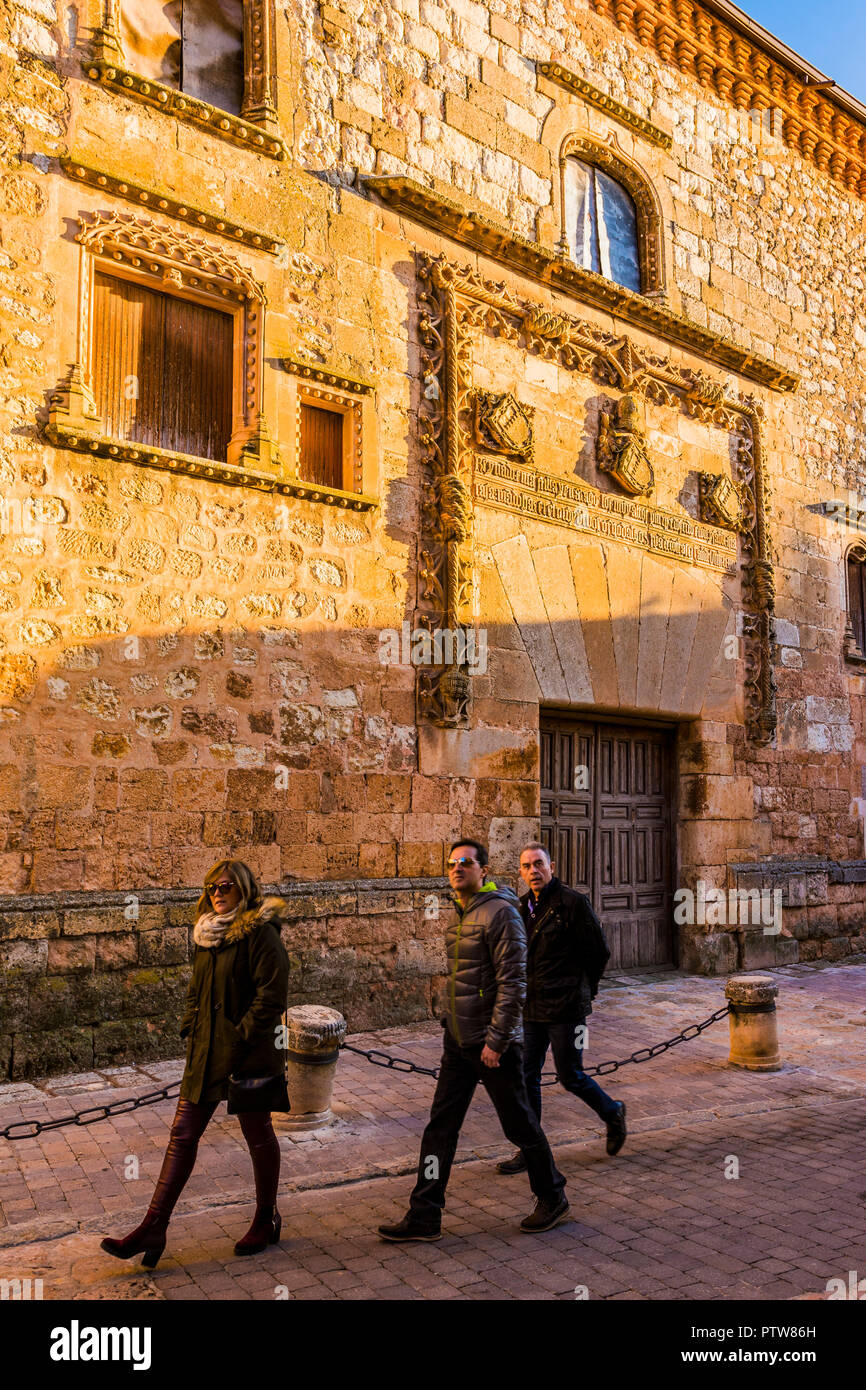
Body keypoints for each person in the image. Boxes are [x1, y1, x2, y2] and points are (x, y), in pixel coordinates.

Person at [101, 859, 290, 1268]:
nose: (217, 894)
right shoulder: (208, 935)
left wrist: (238, 1038)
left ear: (244, 889)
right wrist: (191, 1025)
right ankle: (154, 1226)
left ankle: (265, 1218)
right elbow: (196, 989)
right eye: (211, 888)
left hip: (248, 1053)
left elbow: (271, 997)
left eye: (225, 886)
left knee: (258, 1134)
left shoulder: (262, 934)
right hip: (206, 1053)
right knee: (183, 1135)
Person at [378, 839, 569, 1241]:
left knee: (519, 1126)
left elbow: (514, 983)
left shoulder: (501, 912)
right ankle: (425, 1213)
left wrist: (497, 1041)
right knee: (439, 1130)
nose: (457, 867)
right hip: (459, 1041)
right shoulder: (459, 916)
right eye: (451, 862)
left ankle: (552, 1195)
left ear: (483, 870)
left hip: (494, 1046)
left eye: (466, 861)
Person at [496, 843, 626, 1176]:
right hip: (532, 1009)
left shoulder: (573, 903)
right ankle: (530, 1147)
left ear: (551, 865)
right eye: (526, 867)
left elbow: (598, 952)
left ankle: (612, 1112)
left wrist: (584, 992)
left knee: (571, 1076)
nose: (533, 872)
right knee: (527, 1077)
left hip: (567, 1009)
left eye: (538, 864)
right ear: (521, 872)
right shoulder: (521, 906)